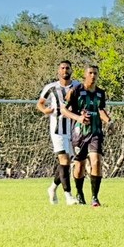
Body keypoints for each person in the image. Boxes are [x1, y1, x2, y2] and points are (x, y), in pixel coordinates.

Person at [63, 64, 111, 207]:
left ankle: (95, 197)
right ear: (85, 75)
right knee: (80, 166)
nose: (93, 76)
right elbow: (64, 110)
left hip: (95, 132)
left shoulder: (100, 93)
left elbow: (101, 109)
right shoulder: (76, 90)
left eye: (95, 73)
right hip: (79, 134)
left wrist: (109, 121)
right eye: (90, 73)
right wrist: (78, 118)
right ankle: (79, 192)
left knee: (96, 161)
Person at [36, 60, 81, 205]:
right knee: (64, 160)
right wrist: (45, 110)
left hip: (73, 128)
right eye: (62, 68)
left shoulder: (77, 86)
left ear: (71, 70)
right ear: (58, 71)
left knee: (67, 163)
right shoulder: (51, 87)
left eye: (67, 68)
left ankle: (53, 187)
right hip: (58, 129)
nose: (65, 70)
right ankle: (68, 196)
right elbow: (40, 103)